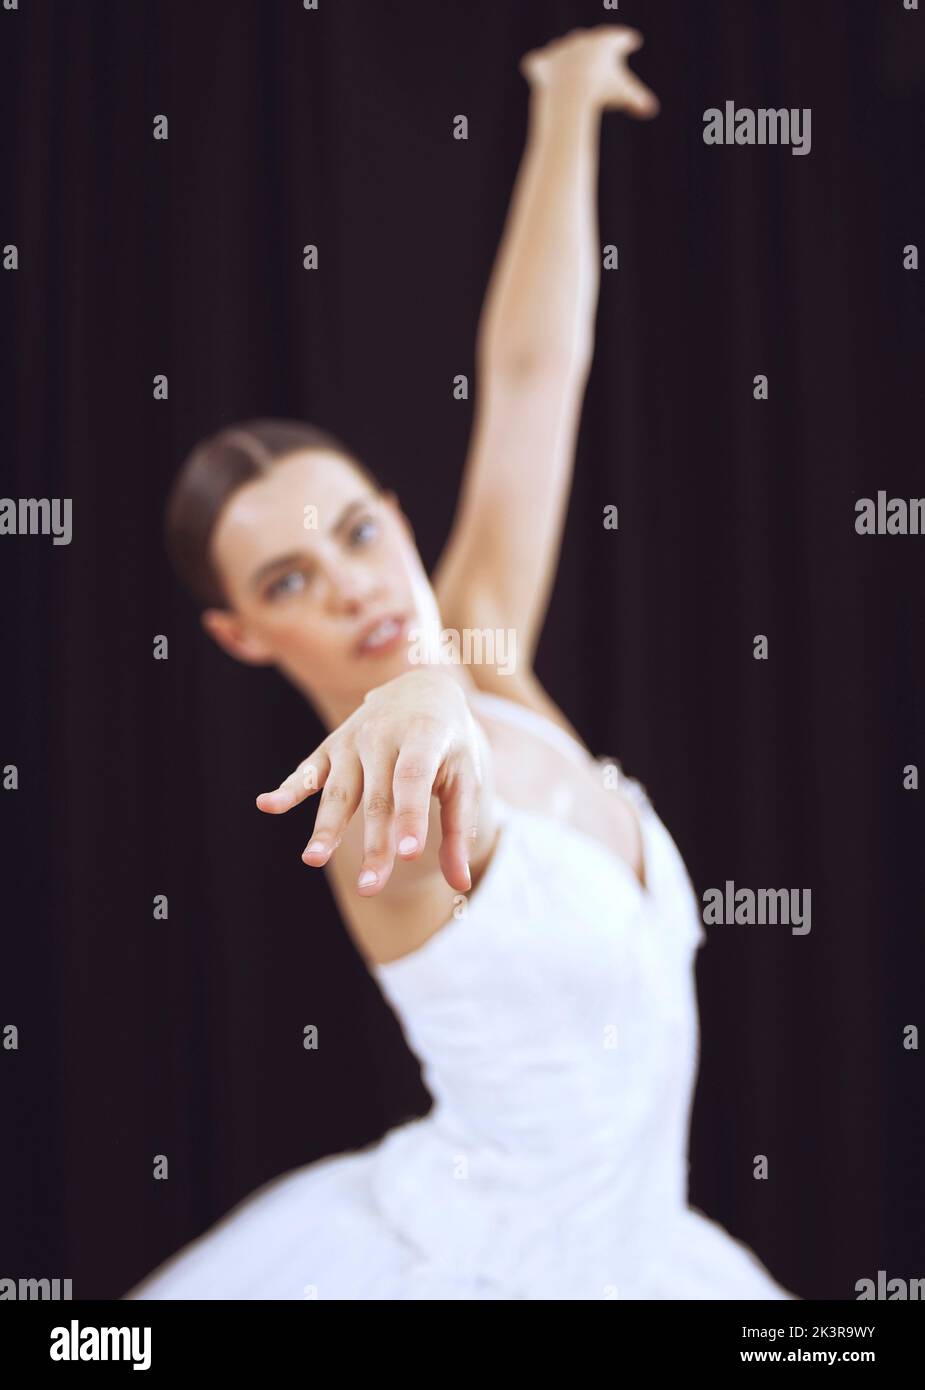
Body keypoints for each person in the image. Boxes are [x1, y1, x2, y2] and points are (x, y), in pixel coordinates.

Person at [127, 26, 795, 1300]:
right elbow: (441, 773)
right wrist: (425, 690)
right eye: (288, 583)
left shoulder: (481, 639)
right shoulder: (374, 806)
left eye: (358, 533)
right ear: (241, 636)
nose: (354, 585)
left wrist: (563, 107)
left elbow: (538, 372)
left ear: (392, 510)